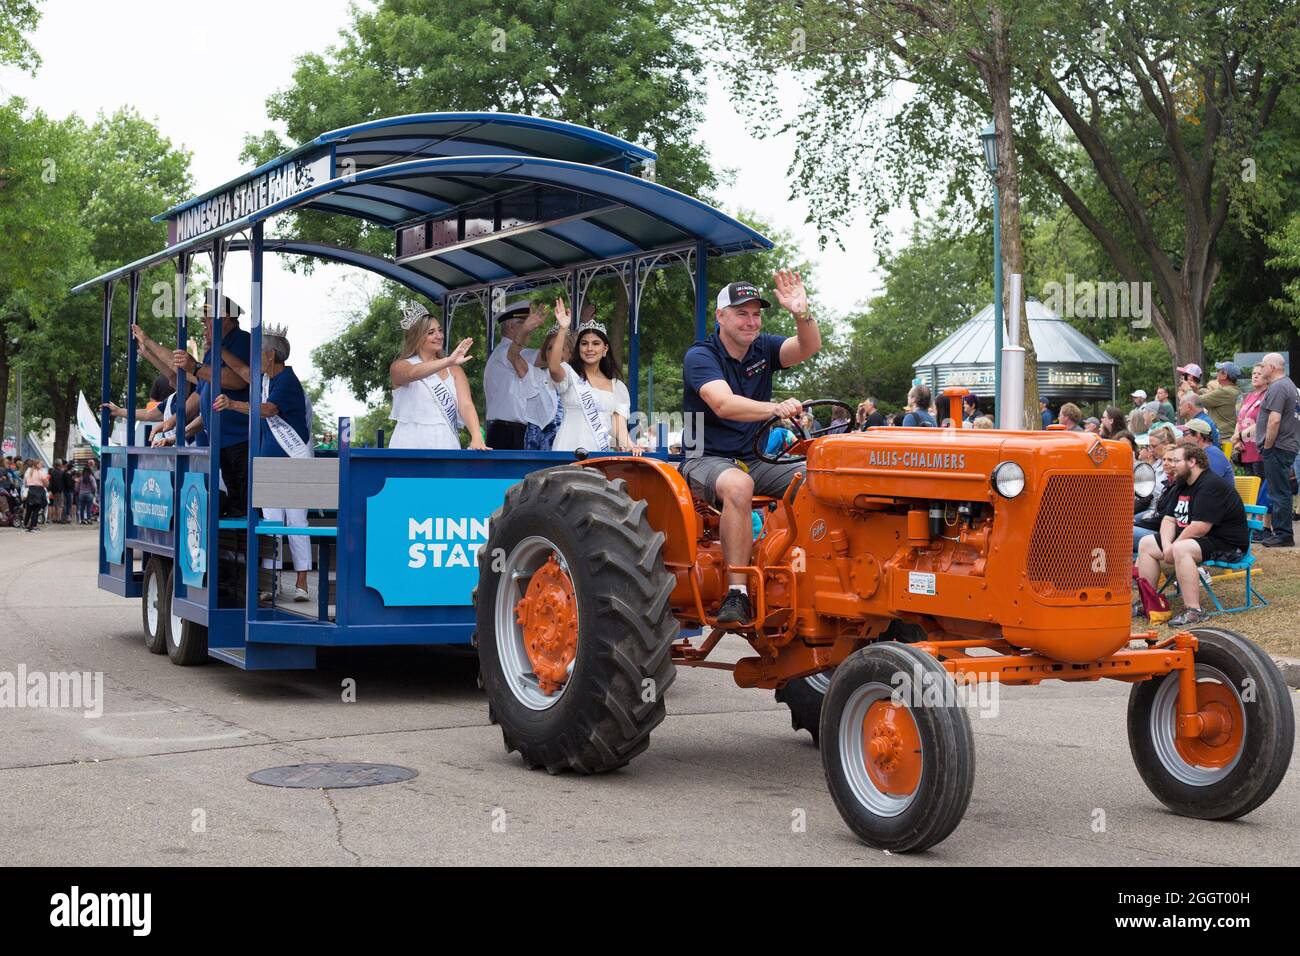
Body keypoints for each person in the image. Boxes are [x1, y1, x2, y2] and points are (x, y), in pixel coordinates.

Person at [680, 272, 821, 624]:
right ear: (721, 317)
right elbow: (724, 404)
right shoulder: (701, 356)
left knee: (817, 477)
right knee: (738, 485)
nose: (751, 321)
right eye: (741, 313)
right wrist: (774, 407)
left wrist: (802, 314)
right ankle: (737, 593)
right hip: (704, 459)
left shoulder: (763, 348)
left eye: (756, 313)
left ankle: (808, 572)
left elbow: (808, 347)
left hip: (752, 459)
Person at [214, 325, 314, 601]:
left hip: (294, 462)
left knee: (295, 522)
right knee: (271, 522)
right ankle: (271, 582)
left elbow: (269, 410)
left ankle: (302, 583)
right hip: (270, 464)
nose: (255, 358)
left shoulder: (287, 381)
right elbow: (245, 372)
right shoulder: (266, 379)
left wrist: (234, 405)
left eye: (259, 353)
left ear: (270, 355)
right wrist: (218, 348)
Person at [1135, 442, 1249, 627]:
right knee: (1147, 543)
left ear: (1192, 462)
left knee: (1181, 549)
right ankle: (1148, 602)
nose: (1171, 465)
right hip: (1198, 540)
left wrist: (1173, 547)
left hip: (1226, 543)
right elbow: (1169, 519)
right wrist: (1166, 545)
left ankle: (1194, 611)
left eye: (1176, 460)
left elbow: (1200, 527)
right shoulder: (1182, 483)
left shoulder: (1211, 484)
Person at [171, 293, 252, 515]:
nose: (203, 323)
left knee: (243, 504)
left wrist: (195, 367)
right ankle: (236, 548)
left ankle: (245, 548)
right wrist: (174, 420)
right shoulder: (217, 346)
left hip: (240, 439)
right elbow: (202, 388)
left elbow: (237, 381)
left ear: (224, 318)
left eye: (207, 318)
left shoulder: (242, 340)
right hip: (223, 439)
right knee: (235, 503)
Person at [388, 304, 486, 450]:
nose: (439, 336)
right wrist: (448, 361)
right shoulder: (400, 366)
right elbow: (412, 373)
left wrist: (476, 436)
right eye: (431, 332)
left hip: (446, 440)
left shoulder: (454, 370)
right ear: (417, 336)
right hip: (410, 441)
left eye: (440, 330)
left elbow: (466, 405)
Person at [548, 299, 640, 454]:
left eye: (596, 343)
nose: (589, 348)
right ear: (579, 349)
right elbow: (553, 367)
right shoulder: (570, 375)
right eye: (584, 343)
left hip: (598, 451)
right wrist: (563, 330)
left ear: (605, 349)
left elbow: (618, 425)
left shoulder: (617, 386)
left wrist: (630, 444)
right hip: (568, 448)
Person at [483, 300, 550, 450]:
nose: (530, 330)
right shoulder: (504, 352)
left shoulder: (508, 352)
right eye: (525, 324)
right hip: (506, 432)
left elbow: (550, 358)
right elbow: (545, 358)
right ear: (511, 326)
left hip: (512, 431)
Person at [1256, 352, 1297, 547]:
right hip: (1285, 445)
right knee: (1280, 490)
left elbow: (1275, 419)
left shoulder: (1279, 387)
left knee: (1279, 491)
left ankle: (1283, 534)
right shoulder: (1288, 385)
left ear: (1271, 367)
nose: (1261, 369)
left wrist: (1268, 445)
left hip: (1278, 446)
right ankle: (1282, 532)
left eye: (1263, 366)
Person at [1230, 363, 1268, 479]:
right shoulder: (1249, 396)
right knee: (1251, 491)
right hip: (1245, 451)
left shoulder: (1268, 396)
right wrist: (1237, 440)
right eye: (1253, 373)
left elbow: (1263, 423)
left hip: (1259, 453)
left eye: (1259, 374)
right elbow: (1239, 420)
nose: (1255, 376)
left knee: (1260, 490)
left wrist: (1239, 436)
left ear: (1267, 378)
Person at [1200, 361, 1241, 438]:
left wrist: (1189, 390)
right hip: (1227, 437)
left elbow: (1198, 401)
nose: (1216, 373)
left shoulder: (1225, 391)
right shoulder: (1233, 390)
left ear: (1224, 375)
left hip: (1223, 439)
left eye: (1218, 371)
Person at [22, 458, 48, 532]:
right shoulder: (40, 472)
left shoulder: (28, 471)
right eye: (41, 463)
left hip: (30, 490)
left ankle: (25, 525)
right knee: (36, 509)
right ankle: (33, 526)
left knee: (29, 509)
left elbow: (26, 482)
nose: (42, 465)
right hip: (38, 490)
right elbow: (46, 483)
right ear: (37, 464)